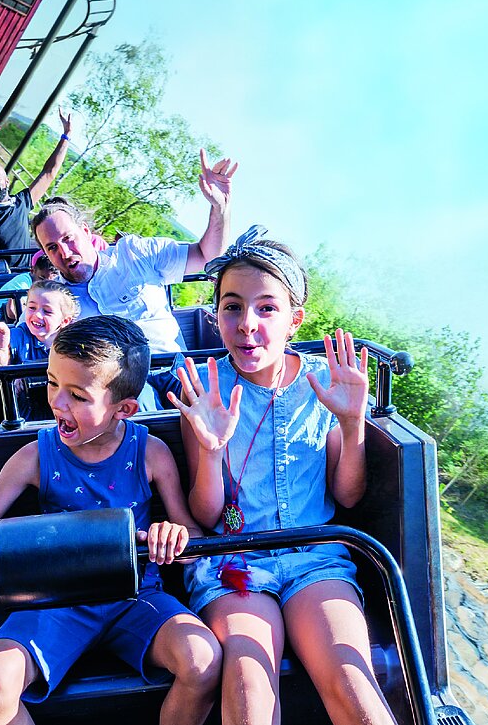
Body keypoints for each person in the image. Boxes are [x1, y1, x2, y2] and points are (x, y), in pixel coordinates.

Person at [165, 227, 394, 725]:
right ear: (217, 314)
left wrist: (353, 423)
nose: (247, 324)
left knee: (354, 686)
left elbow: (347, 496)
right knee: (249, 689)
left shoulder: (325, 384)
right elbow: (205, 513)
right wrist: (210, 449)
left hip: (316, 553)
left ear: (295, 319)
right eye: (232, 306)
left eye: (266, 308)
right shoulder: (206, 390)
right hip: (237, 561)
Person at [0, 316, 222, 725]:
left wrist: (173, 538)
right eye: (52, 382)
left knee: (203, 659)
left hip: (135, 598)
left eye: (77, 395)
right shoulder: (37, 456)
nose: (56, 402)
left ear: (123, 409)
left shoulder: (150, 454)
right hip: (57, 600)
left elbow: (191, 536)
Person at [29, 150, 236, 353]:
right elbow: (25, 335)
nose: (64, 252)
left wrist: (220, 209)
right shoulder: (52, 298)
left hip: (171, 372)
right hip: (115, 385)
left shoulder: (135, 254)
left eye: (68, 238)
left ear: (85, 231)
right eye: (52, 247)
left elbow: (206, 255)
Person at [0, 108, 73, 267]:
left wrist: (66, 135)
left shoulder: (21, 202)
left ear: (6, 181)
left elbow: (49, 172)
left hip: (25, 273)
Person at [0, 282, 79, 368]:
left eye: (47, 311)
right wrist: (2, 369)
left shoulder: (72, 343)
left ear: (64, 321)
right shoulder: (22, 335)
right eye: (32, 307)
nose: (37, 315)